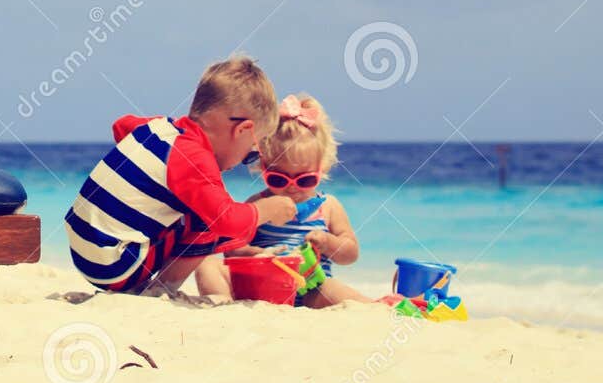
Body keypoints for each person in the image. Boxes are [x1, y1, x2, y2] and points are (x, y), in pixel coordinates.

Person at [65, 55, 297, 298]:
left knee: (192, 201)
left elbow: (121, 126)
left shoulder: (160, 127)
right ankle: (162, 290)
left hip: (84, 250)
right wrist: (266, 209)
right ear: (243, 130)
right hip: (114, 266)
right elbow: (226, 221)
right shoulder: (194, 158)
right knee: (210, 218)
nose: (243, 161)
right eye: (251, 153)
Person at [234, 93, 374, 306]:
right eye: (278, 179)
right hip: (263, 294)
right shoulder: (257, 205)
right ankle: (218, 301)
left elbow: (350, 253)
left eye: (305, 179)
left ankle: (377, 307)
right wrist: (257, 254)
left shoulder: (328, 206)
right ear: (262, 168)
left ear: (322, 169)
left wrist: (328, 243)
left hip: (311, 292)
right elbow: (232, 248)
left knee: (331, 288)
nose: (292, 187)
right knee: (208, 267)